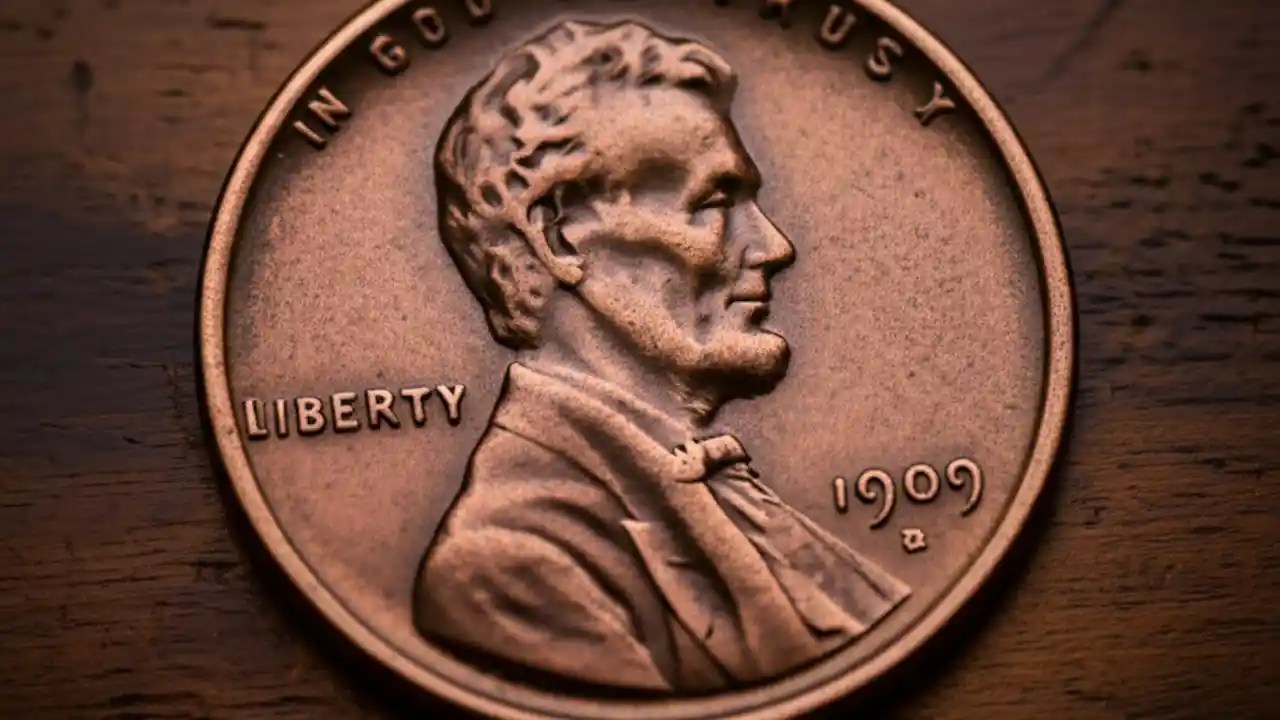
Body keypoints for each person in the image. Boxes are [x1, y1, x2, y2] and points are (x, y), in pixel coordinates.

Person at [414, 20, 908, 693]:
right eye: (713, 203)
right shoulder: (507, 565)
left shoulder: (717, 486)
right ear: (558, 236)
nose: (774, 247)